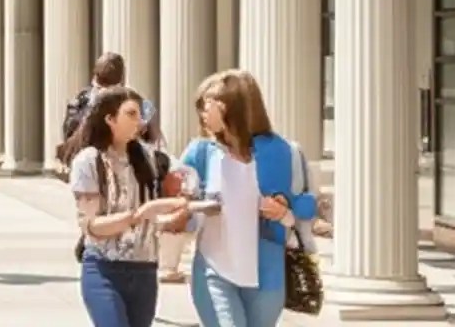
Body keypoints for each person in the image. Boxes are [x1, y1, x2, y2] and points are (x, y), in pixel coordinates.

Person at [179, 70, 318, 327]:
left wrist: (284, 210)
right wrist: (188, 208)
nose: (203, 112)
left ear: (234, 105)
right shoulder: (200, 152)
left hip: (267, 276)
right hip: (215, 269)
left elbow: (307, 205)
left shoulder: (284, 151)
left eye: (210, 103)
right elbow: (178, 206)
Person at [70, 86, 186, 327]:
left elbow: (165, 209)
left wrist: (177, 210)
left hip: (144, 268)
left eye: (140, 114)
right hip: (104, 268)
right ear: (110, 119)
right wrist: (137, 215)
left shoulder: (150, 158)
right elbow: (91, 226)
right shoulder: (89, 161)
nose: (140, 120)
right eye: (131, 114)